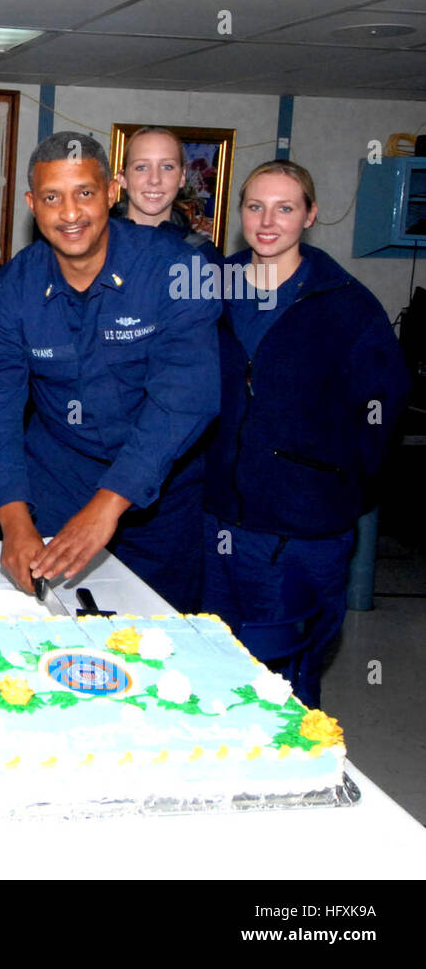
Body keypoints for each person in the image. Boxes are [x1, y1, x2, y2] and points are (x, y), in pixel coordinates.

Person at [0, 131, 220, 612]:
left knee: (161, 642)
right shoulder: (9, 291)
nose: (71, 213)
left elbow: (185, 397)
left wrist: (110, 503)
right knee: (49, 641)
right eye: (53, 197)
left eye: (85, 193)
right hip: (58, 484)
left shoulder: (180, 271)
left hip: (157, 491)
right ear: (33, 205)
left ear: (112, 194)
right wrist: (14, 519)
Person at [203, 159, 409, 707]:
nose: (268, 221)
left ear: (310, 215)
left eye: (285, 208)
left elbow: (381, 411)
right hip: (217, 521)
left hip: (304, 532)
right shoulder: (211, 290)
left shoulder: (345, 304)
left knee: (287, 684)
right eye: (255, 206)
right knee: (213, 668)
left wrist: (330, 487)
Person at [114, 126, 225, 262]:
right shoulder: (93, 246)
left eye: (167, 167)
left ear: (182, 177)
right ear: (122, 178)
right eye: (141, 167)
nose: (155, 179)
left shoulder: (203, 255)